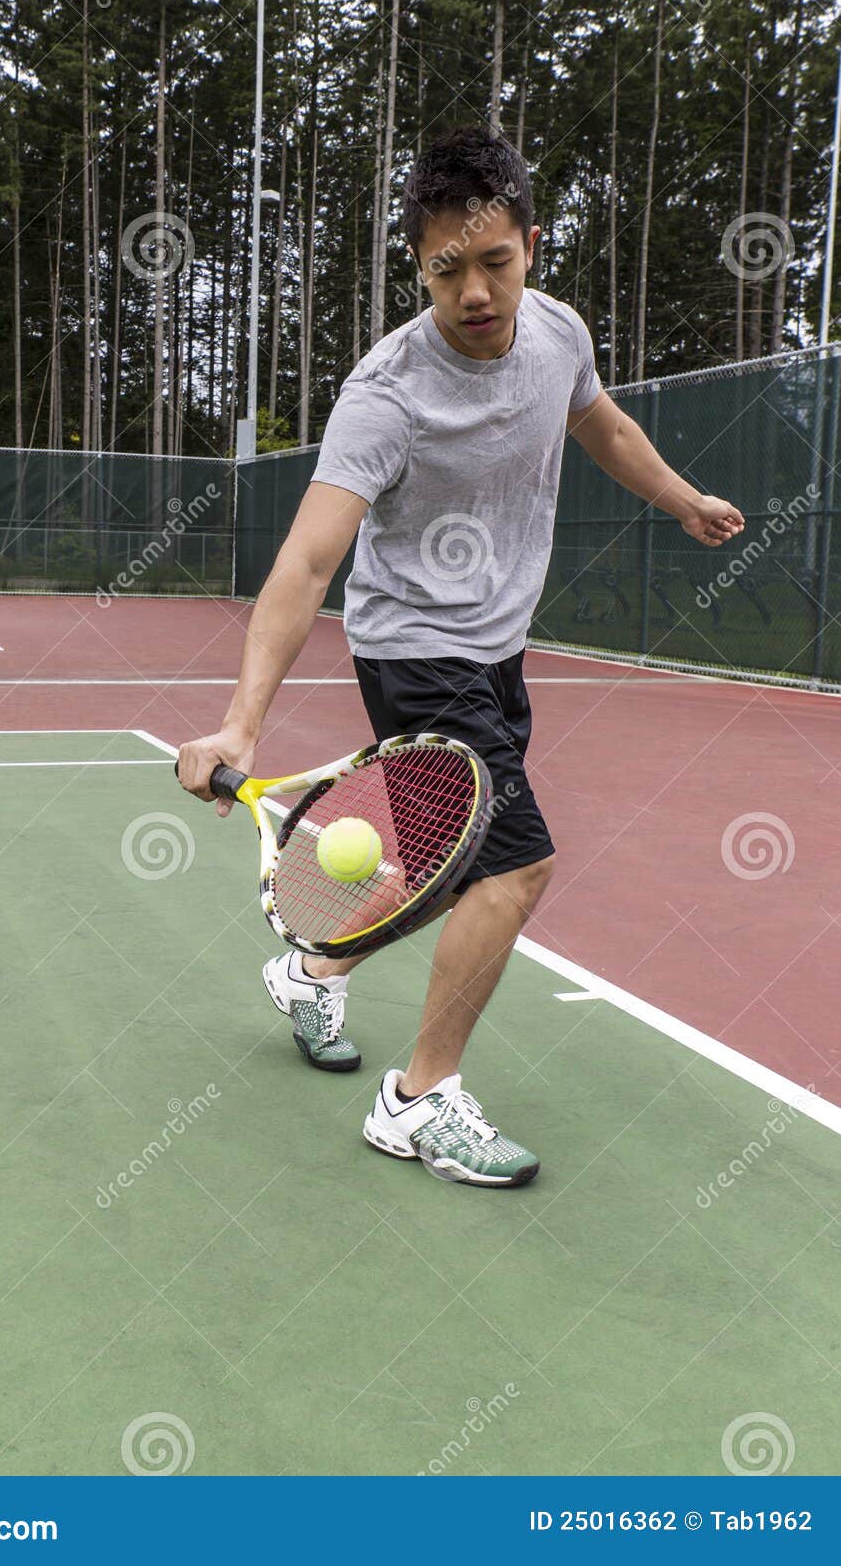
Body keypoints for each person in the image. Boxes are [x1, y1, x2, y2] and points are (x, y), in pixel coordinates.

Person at [176, 125, 744, 1189]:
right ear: (418, 265)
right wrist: (240, 724)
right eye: (447, 268)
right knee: (516, 862)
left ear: (530, 244)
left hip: (495, 650)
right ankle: (416, 1099)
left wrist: (680, 500)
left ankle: (314, 969)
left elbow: (599, 421)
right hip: (412, 654)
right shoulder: (384, 394)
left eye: (494, 261)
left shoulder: (559, 335)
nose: (474, 290)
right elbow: (304, 565)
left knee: (439, 869)